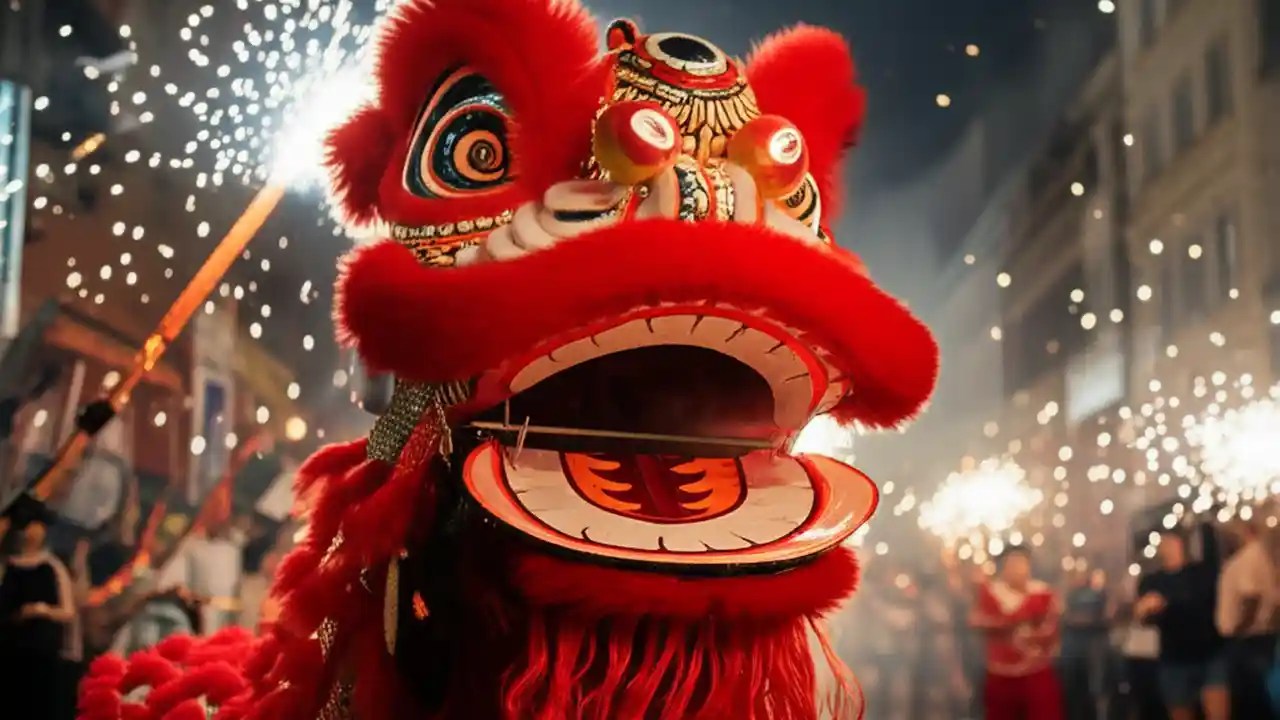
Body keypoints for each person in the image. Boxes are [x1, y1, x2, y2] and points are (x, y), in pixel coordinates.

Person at [0, 494, 83, 719]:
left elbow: (68, 611)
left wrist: (41, 610)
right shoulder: (8, 566)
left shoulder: (51, 567)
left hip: (43, 658)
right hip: (10, 655)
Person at [1135, 527, 1227, 720]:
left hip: (1209, 653)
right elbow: (1142, 615)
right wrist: (1147, 609)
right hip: (1174, 658)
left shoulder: (1201, 573)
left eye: (1172, 540)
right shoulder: (1152, 580)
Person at [971, 546, 1063, 720]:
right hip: (1001, 673)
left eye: (1022, 563)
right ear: (1003, 567)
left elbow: (1051, 629)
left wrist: (1028, 635)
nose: (1018, 569)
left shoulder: (1043, 594)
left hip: (1036, 671)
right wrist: (1015, 622)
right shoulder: (991, 594)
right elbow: (979, 622)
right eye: (1012, 564)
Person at [1217, 519, 1277, 719]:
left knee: (1252, 700)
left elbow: (1251, 597)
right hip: (1254, 638)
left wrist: (1240, 630)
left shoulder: (1249, 558)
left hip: (1250, 640)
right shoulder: (1258, 557)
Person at [1060, 565, 1113, 720]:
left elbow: (1107, 617)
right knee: (1074, 688)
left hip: (1094, 645)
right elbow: (1064, 616)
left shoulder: (1099, 594)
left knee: (1095, 689)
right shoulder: (1071, 595)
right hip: (1076, 645)